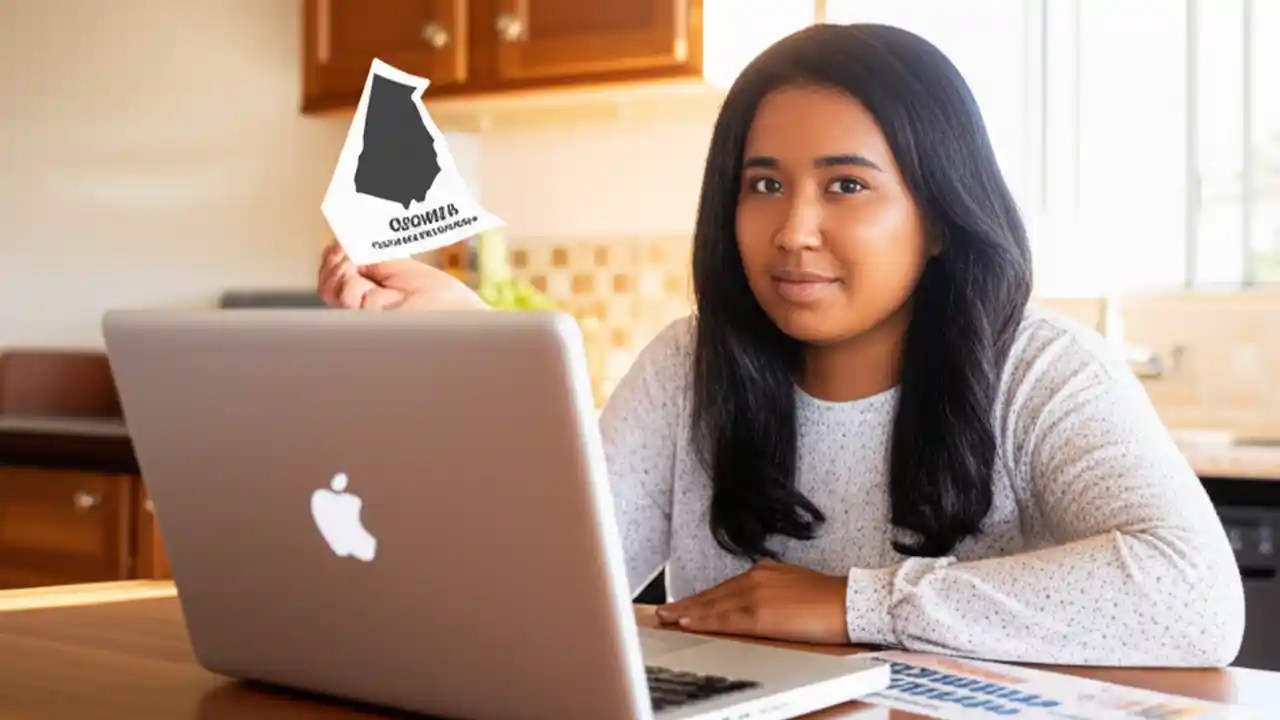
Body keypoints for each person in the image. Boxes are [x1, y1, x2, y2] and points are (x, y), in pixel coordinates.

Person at [316, 23, 1244, 667]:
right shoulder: (690, 367)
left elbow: (1194, 600)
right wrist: (477, 360)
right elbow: (544, 577)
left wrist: (855, 605)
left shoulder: (1040, 370)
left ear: (942, 215)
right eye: (763, 185)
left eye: (845, 187)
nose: (791, 230)